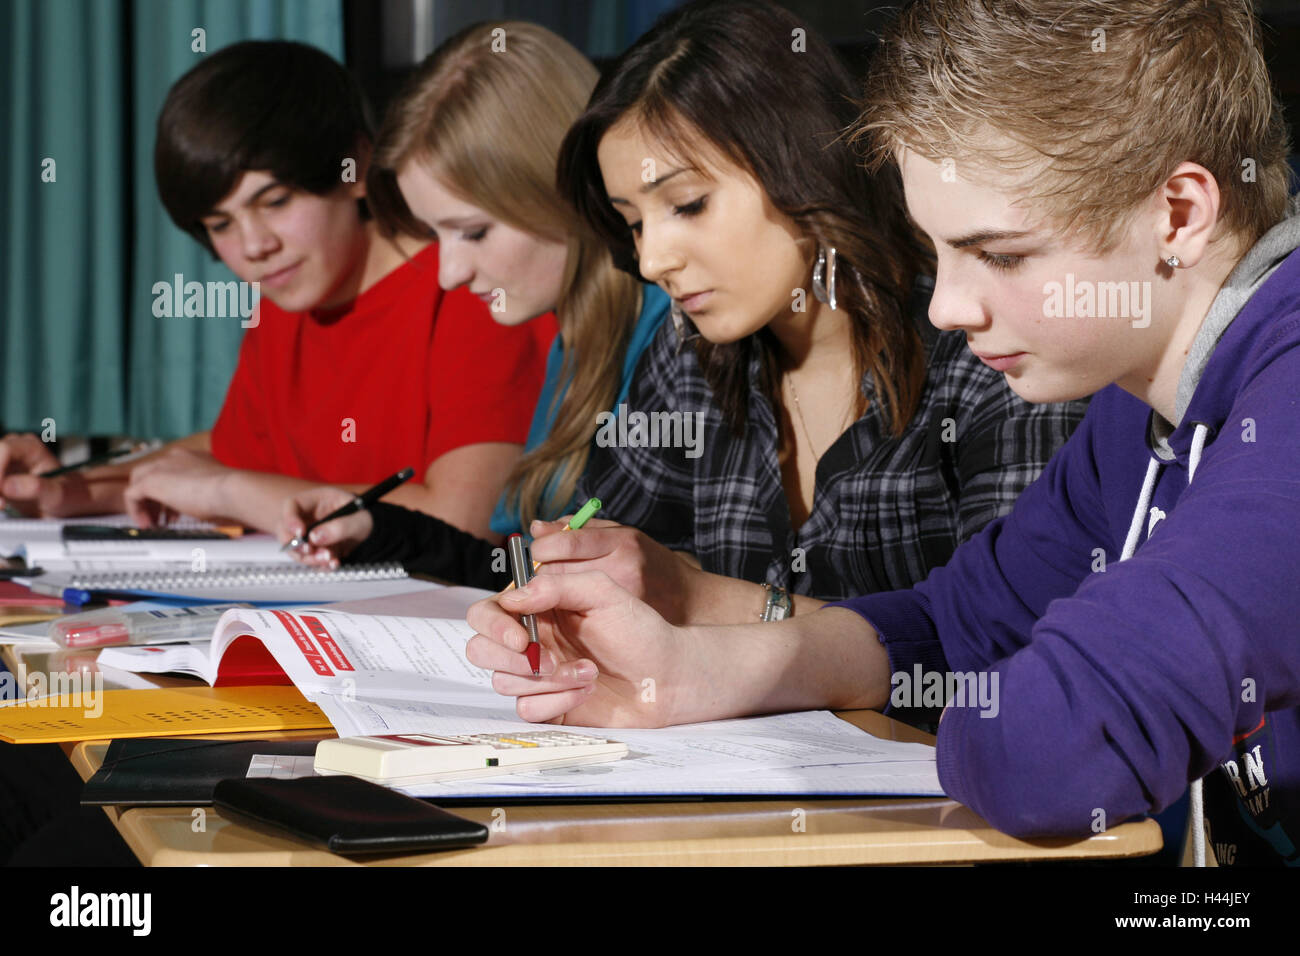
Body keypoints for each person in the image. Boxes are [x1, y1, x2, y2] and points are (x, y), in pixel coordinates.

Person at [465, 0, 1300, 865]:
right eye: (938, 254)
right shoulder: (1137, 406)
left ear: (1178, 213)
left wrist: (1005, 700)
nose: (945, 307)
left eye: (1001, 254)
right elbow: (954, 627)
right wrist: (687, 674)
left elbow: (1053, 749)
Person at [493, 0, 1084, 629]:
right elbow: (609, 545)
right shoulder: (689, 355)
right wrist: (559, 607)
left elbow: (1013, 641)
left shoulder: (985, 343)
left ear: (801, 166)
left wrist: (700, 597)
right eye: (633, 223)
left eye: (688, 204)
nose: (651, 260)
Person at [0, 40, 554, 540]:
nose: (253, 246)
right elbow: (224, 452)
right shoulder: (287, 301)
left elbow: (462, 520)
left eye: (276, 202)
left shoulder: (466, 285)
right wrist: (66, 490)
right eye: (220, 225)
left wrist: (228, 491)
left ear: (354, 167)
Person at [277, 22, 670, 587]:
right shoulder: (578, 339)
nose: (449, 273)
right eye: (436, 236)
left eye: (474, 232)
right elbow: (523, 573)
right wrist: (383, 529)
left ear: (557, 190)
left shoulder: (674, 341)